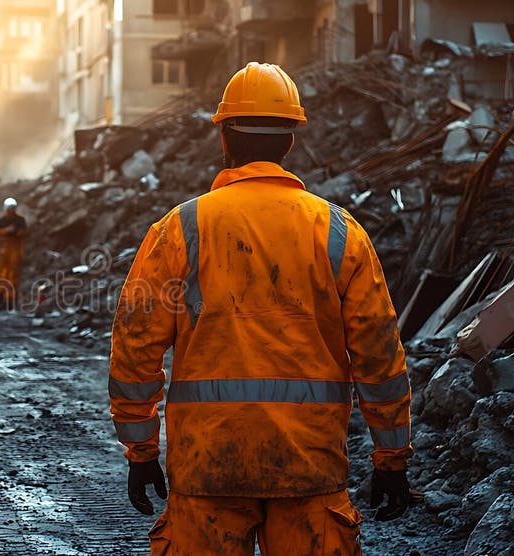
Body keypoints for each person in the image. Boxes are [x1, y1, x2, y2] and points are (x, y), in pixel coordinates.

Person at [108, 62, 412, 555]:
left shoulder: (181, 229)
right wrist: (391, 457)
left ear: (224, 137)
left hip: (208, 464)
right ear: (290, 141)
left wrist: (140, 451)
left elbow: (135, 345)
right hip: (308, 469)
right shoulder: (339, 232)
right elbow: (379, 354)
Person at [0, 197, 27, 308]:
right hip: (4, 251)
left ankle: (10, 300)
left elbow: (24, 232)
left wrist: (15, 231)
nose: (10, 211)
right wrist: (6, 231)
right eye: (9, 209)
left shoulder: (20, 220)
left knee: (13, 276)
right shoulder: (2, 221)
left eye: (12, 208)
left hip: (15, 251)